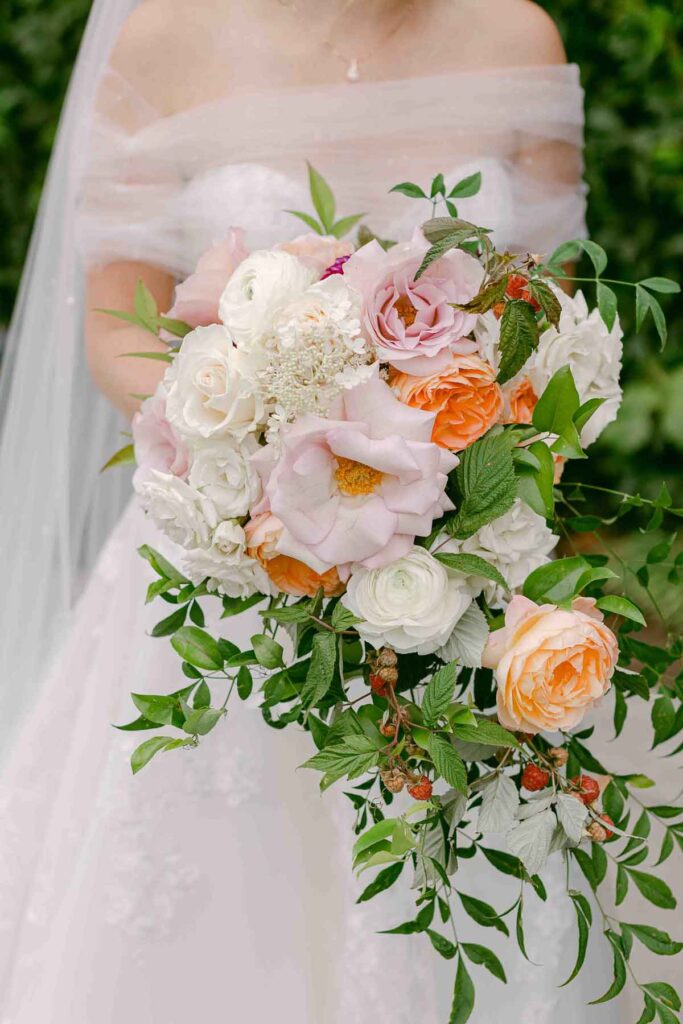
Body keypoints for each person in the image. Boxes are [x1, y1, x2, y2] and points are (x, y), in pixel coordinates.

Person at [0, 1, 625, 1020]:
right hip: (228, 572)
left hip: (454, 574)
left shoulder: (518, 35)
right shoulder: (161, 36)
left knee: (451, 900)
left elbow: (547, 319)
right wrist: (265, 459)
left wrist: (457, 473)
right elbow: (120, 326)